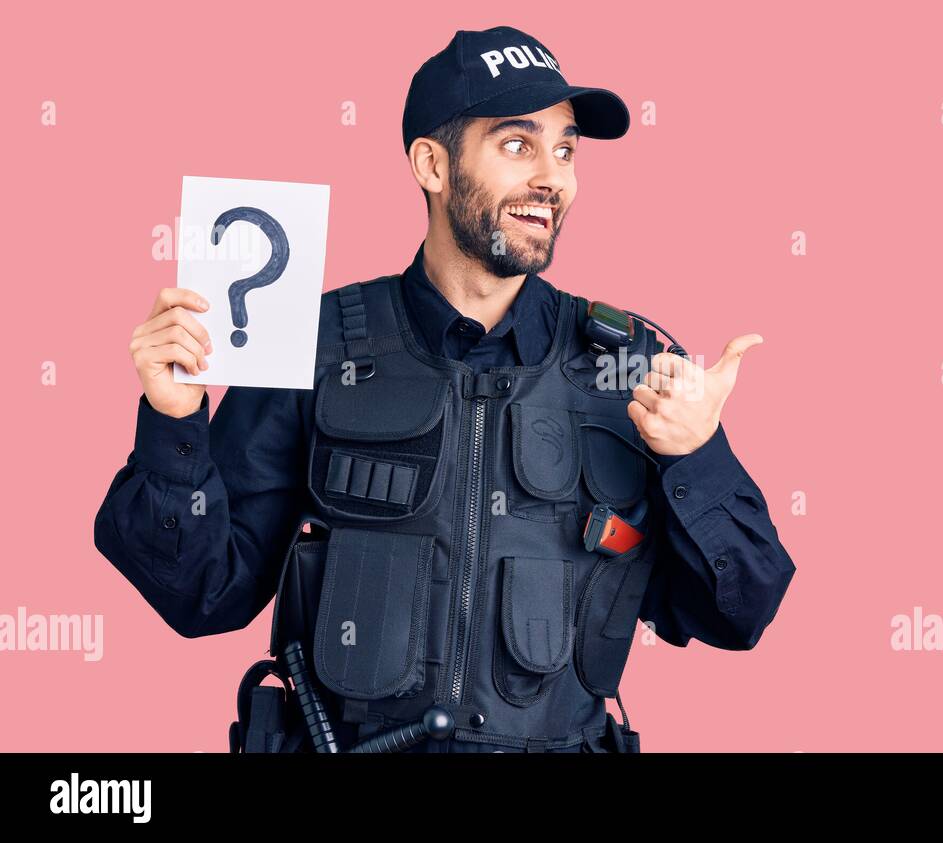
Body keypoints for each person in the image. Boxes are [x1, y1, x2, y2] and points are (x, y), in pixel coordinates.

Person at [94, 26, 795, 753]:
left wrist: (697, 458)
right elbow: (203, 594)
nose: (551, 178)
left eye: (565, 150)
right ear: (432, 164)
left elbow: (737, 614)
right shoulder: (311, 340)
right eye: (518, 145)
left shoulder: (629, 368)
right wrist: (174, 420)